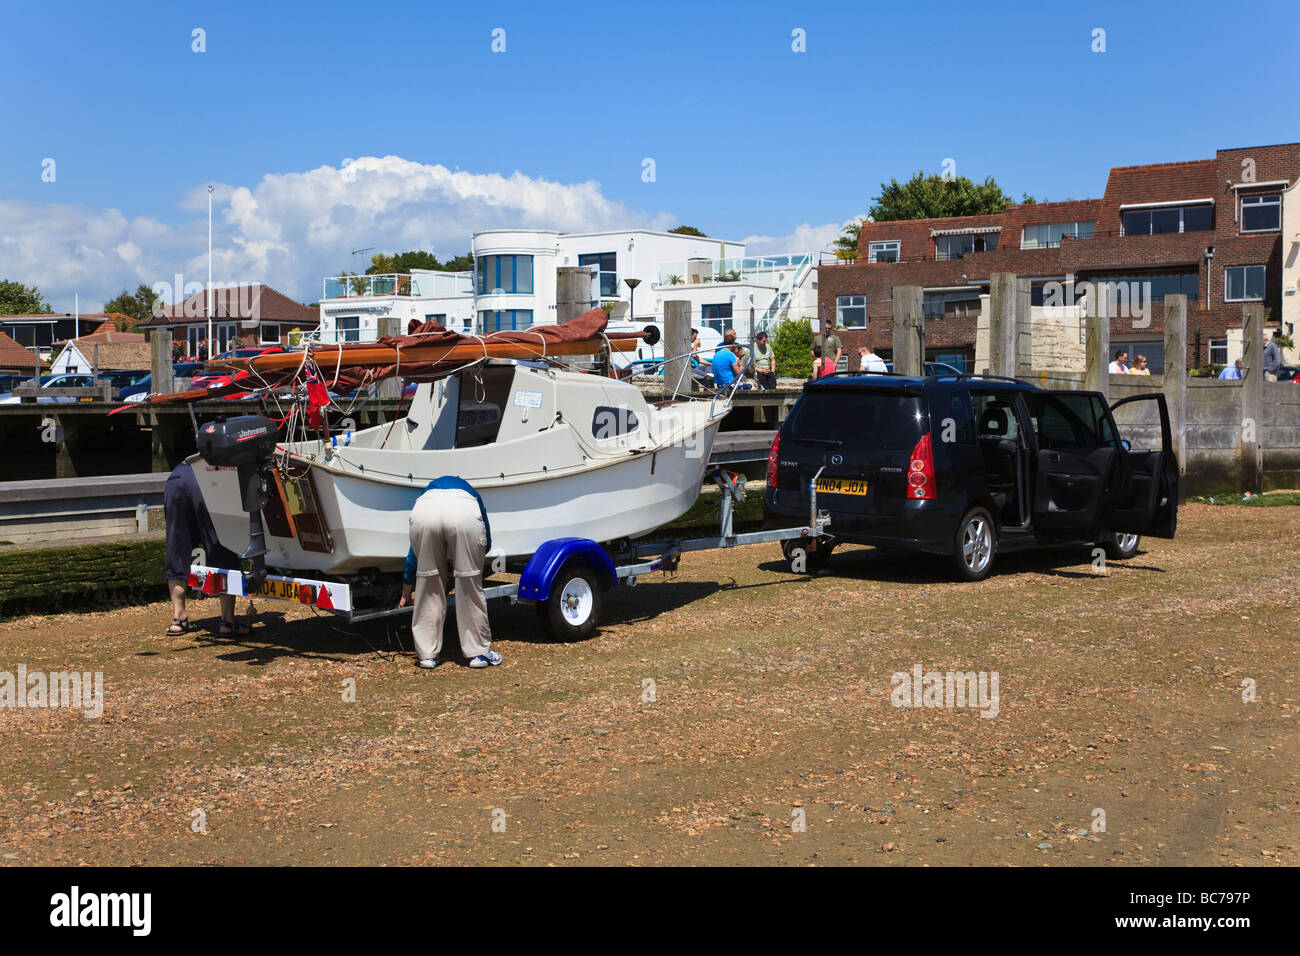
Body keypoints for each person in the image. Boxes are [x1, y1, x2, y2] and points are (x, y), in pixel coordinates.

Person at [398, 476, 499, 669]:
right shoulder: (470, 492)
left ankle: (427, 655)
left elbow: (413, 557)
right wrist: (460, 565)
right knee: (469, 581)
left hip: (424, 512)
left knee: (428, 580)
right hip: (463, 510)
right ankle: (478, 653)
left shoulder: (427, 493)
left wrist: (405, 593)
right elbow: (486, 543)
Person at [164, 461, 248, 637]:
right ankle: (227, 621)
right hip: (210, 476)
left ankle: (178, 619)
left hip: (178, 476)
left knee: (178, 546)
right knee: (223, 547)